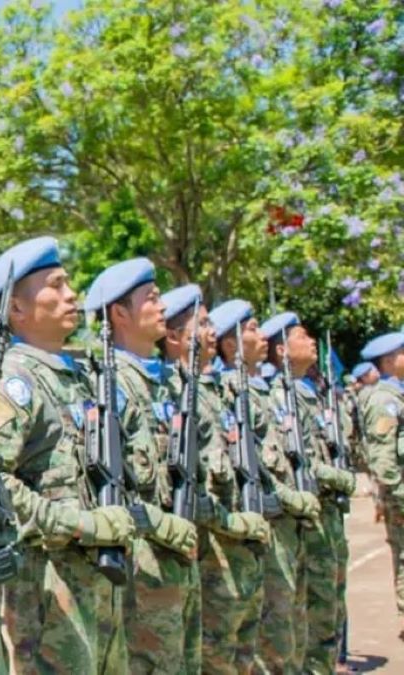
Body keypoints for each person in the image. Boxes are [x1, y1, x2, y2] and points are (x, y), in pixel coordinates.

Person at [0, 237, 135, 674]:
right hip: (50, 589)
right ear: (17, 308)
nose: (71, 295)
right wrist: (79, 524)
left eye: (68, 283)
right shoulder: (15, 382)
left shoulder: (79, 378)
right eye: (55, 285)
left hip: (99, 582)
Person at [84, 261, 199, 674]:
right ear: (120, 313)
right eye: (150, 298)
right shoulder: (108, 385)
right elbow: (104, 483)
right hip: (141, 564)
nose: (162, 306)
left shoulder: (173, 382)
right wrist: (158, 523)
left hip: (181, 560)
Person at [163, 288, 269, 674]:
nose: (213, 331)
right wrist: (233, 521)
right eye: (203, 323)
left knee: (243, 655)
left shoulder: (219, 390)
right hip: (212, 552)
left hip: (240, 548)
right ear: (174, 336)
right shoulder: (176, 393)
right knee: (216, 657)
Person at [211, 299, 320, 673]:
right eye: (253, 329)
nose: (263, 338)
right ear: (230, 344)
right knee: (269, 637)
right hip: (261, 528)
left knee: (290, 624)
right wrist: (290, 497)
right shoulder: (230, 391)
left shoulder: (266, 391)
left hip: (282, 527)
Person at [262, 312, 356, 673]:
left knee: (330, 607)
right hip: (305, 519)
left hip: (326, 516)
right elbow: (293, 461)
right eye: (302, 336)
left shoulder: (312, 393)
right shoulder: (279, 398)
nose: (311, 341)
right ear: (281, 350)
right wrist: (335, 476)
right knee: (308, 615)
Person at [356, 332, 404, 641]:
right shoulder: (384, 400)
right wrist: (398, 494)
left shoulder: (397, 395)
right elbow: (383, 459)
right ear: (388, 361)